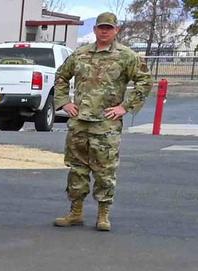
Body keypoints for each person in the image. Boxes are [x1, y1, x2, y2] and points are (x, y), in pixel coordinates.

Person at [52, 12, 151, 232]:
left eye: (109, 28)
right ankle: (75, 212)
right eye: (100, 27)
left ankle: (103, 214)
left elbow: (144, 81)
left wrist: (124, 107)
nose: (104, 31)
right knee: (77, 169)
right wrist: (63, 102)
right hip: (79, 123)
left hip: (106, 125)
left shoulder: (127, 56)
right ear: (95, 29)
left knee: (105, 171)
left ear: (116, 30)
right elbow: (61, 76)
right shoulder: (80, 54)